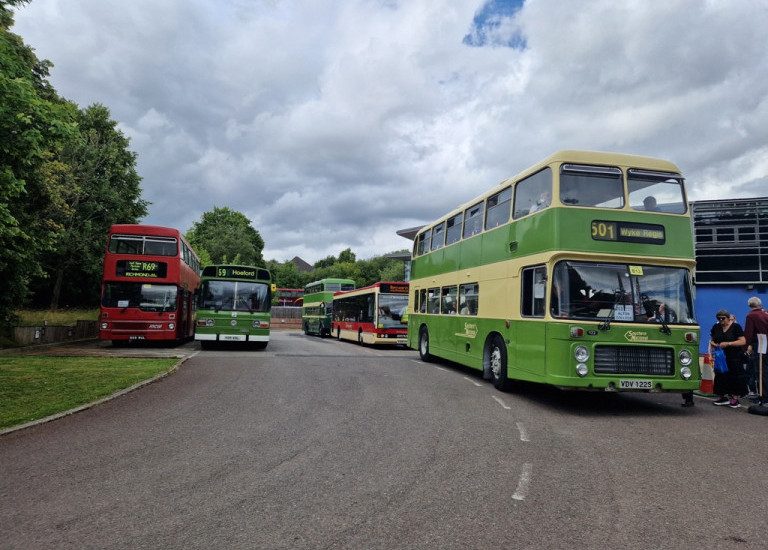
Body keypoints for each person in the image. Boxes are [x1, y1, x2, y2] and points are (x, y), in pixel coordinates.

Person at [709, 309, 747, 408]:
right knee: (720, 376)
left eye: (723, 318)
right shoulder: (716, 327)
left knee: (734, 376)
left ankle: (735, 398)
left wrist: (729, 343)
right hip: (721, 357)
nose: (721, 320)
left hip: (734, 356)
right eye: (719, 319)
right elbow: (712, 340)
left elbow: (743, 341)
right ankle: (722, 396)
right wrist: (715, 345)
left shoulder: (736, 327)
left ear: (728, 318)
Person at [743, 297, 768, 404]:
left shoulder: (751, 315)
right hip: (765, 342)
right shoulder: (765, 314)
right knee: (765, 370)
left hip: (759, 343)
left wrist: (745, 346)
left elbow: (748, 333)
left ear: (749, 305)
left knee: (760, 370)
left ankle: (763, 396)